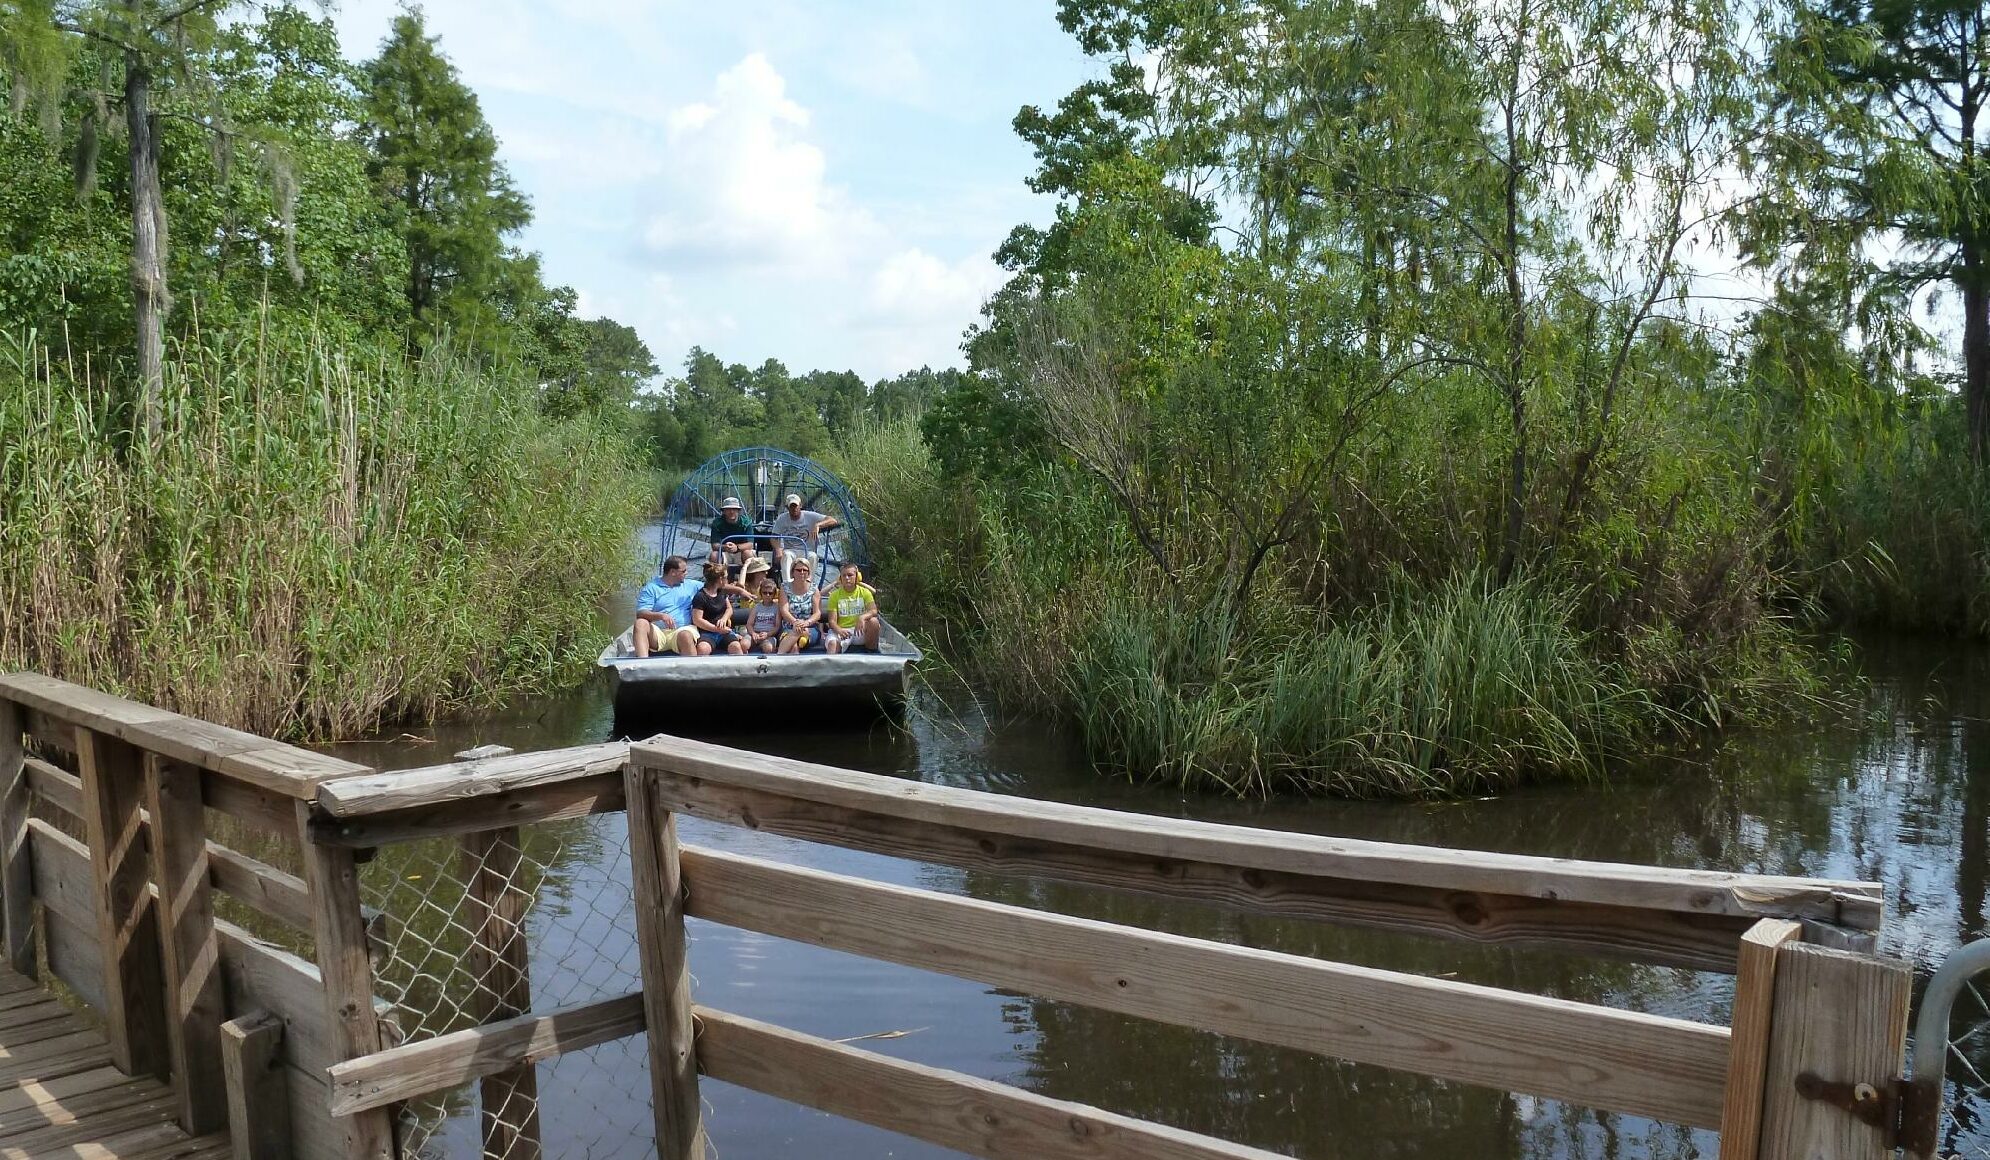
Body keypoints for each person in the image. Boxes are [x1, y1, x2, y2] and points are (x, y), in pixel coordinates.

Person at [632, 555, 700, 658]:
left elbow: (714, 586)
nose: (686, 573)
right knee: (640, 623)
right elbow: (641, 613)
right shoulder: (651, 588)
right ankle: (642, 665)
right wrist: (661, 616)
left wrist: (733, 589)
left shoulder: (691, 585)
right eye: (683, 571)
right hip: (659, 634)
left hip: (682, 630)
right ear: (673, 572)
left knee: (685, 635)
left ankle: (691, 669)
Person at [769, 493, 840, 582]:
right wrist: (778, 550)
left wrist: (818, 525)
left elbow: (833, 520)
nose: (794, 509)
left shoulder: (810, 516)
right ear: (787, 507)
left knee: (813, 556)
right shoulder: (782, 519)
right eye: (791, 506)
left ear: (800, 506)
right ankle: (787, 585)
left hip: (807, 550)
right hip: (791, 550)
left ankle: (809, 583)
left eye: (796, 506)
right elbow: (773, 537)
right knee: (786, 555)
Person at [822, 563, 880, 654]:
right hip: (841, 631)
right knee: (832, 645)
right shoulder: (834, 595)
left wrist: (862, 617)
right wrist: (839, 630)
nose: (847, 578)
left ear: (856, 576)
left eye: (850, 575)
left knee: (874, 622)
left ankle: (871, 652)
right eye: (844, 576)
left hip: (859, 631)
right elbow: (832, 621)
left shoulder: (865, 592)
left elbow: (874, 610)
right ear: (840, 578)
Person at [690, 561, 745, 655]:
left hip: (724, 631)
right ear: (720, 579)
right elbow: (697, 620)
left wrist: (724, 619)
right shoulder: (700, 596)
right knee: (703, 649)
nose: (727, 581)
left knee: (735, 647)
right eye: (726, 578)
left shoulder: (721, 592)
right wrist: (716, 629)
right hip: (708, 632)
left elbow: (729, 609)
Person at [777, 558, 823, 654]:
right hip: (789, 626)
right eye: (798, 570)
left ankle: (778, 655)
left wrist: (806, 623)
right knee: (793, 647)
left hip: (810, 627)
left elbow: (817, 613)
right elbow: (784, 610)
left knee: (797, 638)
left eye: (805, 570)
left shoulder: (814, 588)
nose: (802, 572)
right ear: (792, 572)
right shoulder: (784, 587)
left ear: (808, 572)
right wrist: (795, 623)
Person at [709, 497, 758, 582]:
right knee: (714, 555)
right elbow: (714, 545)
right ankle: (716, 583)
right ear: (723, 511)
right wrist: (725, 547)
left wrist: (737, 547)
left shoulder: (746, 522)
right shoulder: (717, 523)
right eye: (728, 509)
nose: (732, 512)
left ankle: (751, 583)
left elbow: (750, 544)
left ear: (738, 511)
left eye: (734, 509)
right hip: (724, 552)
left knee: (748, 553)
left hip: (741, 552)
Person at [743, 575, 785, 654]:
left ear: (774, 594)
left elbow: (777, 626)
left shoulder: (777, 608)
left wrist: (768, 634)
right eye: (765, 593)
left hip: (769, 635)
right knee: (744, 645)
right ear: (761, 593)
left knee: (768, 648)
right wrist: (753, 633)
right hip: (755, 633)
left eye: (770, 593)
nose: (767, 595)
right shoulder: (756, 607)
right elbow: (749, 624)